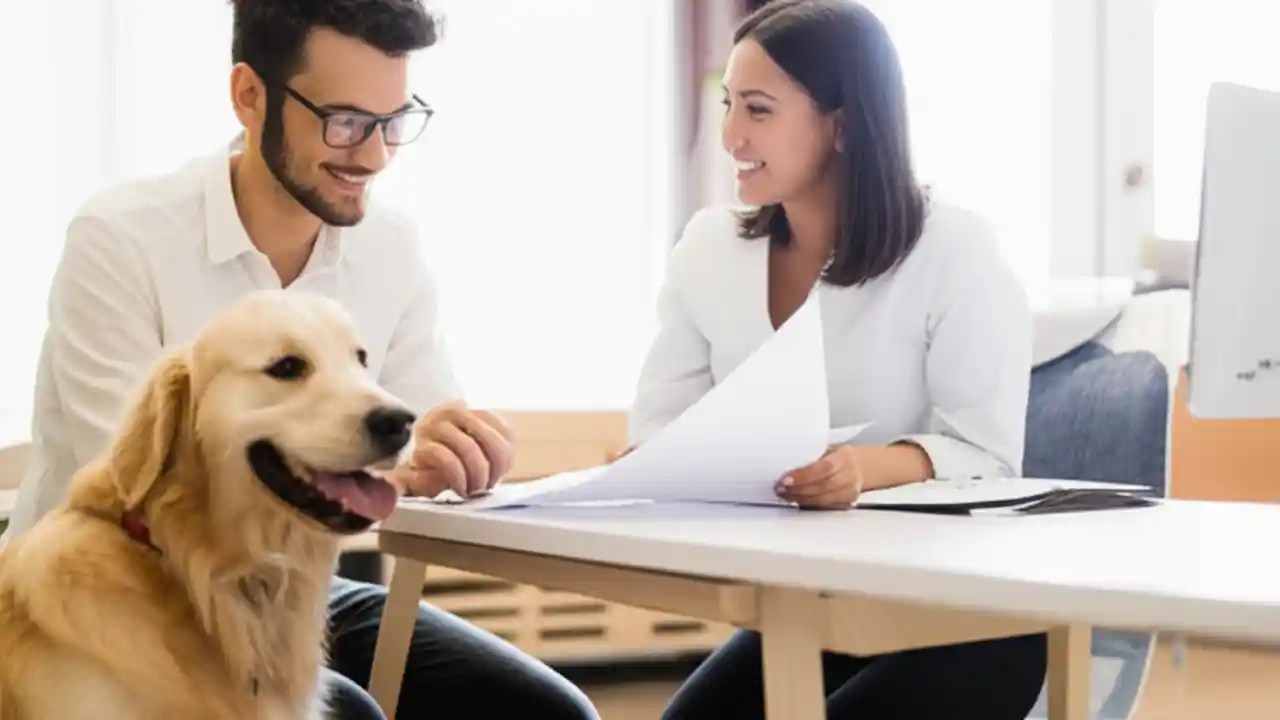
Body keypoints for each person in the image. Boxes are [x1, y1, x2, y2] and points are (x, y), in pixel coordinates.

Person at [1, 1, 599, 718]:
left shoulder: (391, 249)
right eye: (345, 122)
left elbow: (412, 432)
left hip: (297, 590)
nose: (374, 156)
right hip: (115, 578)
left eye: (393, 122)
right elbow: (137, 474)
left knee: (547, 712)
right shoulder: (122, 237)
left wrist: (449, 452)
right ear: (250, 97)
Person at [628, 1, 1044, 718]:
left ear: (844, 124)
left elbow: (990, 455)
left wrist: (861, 471)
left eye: (758, 110)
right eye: (728, 104)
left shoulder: (956, 252)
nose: (730, 136)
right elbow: (659, 431)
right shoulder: (708, 251)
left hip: (965, 617)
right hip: (810, 604)